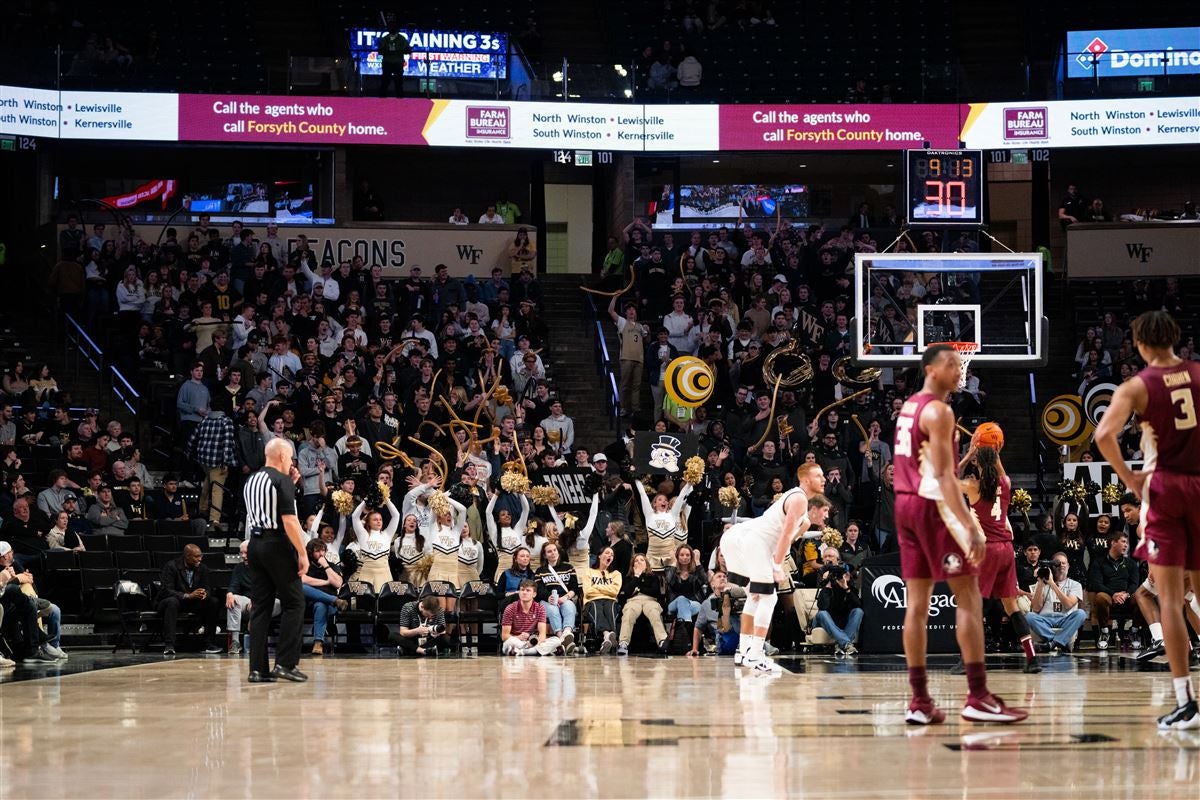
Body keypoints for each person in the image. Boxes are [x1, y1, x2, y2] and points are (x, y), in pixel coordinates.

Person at [893, 344, 1026, 724]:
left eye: (960, 363)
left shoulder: (909, 407)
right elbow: (945, 477)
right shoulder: (940, 411)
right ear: (930, 369)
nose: (959, 370)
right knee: (969, 597)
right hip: (931, 506)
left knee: (917, 605)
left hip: (904, 505)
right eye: (951, 364)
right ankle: (978, 696)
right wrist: (970, 525)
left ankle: (919, 701)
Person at [1093, 310, 1200, 729]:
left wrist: (1131, 479)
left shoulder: (1138, 385)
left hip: (1165, 487)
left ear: (1138, 344)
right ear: (1175, 337)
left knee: (1169, 600)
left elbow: (1103, 435)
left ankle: (1186, 703)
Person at [719, 462, 826, 673]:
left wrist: (773, 561)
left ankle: (744, 650)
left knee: (754, 597)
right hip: (750, 540)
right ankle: (755, 654)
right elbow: (784, 535)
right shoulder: (799, 498)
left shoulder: (804, 519)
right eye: (819, 476)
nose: (823, 480)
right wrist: (776, 565)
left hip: (737, 539)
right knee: (769, 598)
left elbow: (782, 541)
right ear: (806, 480)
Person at [960, 441, 1042, 672]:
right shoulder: (1005, 483)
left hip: (988, 549)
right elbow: (1001, 470)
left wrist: (967, 457)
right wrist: (995, 453)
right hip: (1007, 549)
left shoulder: (972, 486)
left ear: (977, 463)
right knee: (1011, 606)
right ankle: (1032, 659)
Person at [242, 438, 309, 683]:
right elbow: (289, 520)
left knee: (261, 607)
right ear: (281, 456)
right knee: (295, 603)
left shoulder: (251, 480)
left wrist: (291, 485)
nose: (291, 462)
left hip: (255, 545)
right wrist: (302, 552)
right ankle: (285, 663)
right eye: (290, 457)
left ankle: (257, 669)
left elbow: (264, 507)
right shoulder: (281, 480)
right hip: (277, 545)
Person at [157, 545, 224, 656]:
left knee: (213, 602)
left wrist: (204, 594)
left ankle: (209, 644)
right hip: (174, 601)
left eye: (200, 556)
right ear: (187, 556)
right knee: (172, 602)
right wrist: (187, 596)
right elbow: (166, 590)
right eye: (196, 556)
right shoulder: (171, 566)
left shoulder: (202, 568)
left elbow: (208, 588)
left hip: (193, 602)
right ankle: (169, 645)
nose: (200, 559)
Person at [1026, 551, 1088, 655]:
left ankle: (1052, 643)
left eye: (1064, 563)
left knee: (1081, 613)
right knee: (1029, 616)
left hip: (1064, 619)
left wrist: (1052, 583)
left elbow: (1068, 604)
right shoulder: (1042, 583)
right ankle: (1058, 642)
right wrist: (1040, 582)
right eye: (1058, 563)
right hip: (1046, 619)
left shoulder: (1075, 585)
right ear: (1053, 567)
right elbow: (1036, 608)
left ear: (1068, 566)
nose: (1061, 565)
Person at [616, 553, 669, 655]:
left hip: (650, 600)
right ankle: (623, 643)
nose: (639, 562)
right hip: (633, 600)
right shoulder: (629, 577)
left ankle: (662, 640)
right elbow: (626, 592)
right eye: (636, 561)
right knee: (628, 613)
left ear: (646, 564)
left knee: (654, 612)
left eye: (642, 560)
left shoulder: (653, 577)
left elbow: (655, 592)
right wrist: (637, 576)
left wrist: (639, 589)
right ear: (633, 565)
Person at [300, 539, 344, 656]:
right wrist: (326, 582)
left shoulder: (332, 566)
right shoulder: (306, 566)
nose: (321, 554)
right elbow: (302, 580)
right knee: (302, 587)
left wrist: (326, 566)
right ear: (310, 553)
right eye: (317, 551)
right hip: (309, 605)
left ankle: (318, 643)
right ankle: (334, 600)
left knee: (321, 605)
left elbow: (338, 583)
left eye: (323, 550)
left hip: (328, 607)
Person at [501, 579, 566, 656]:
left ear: (534, 594)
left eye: (528, 590)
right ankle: (534, 651)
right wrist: (519, 637)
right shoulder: (510, 608)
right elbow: (504, 636)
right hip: (517, 641)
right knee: (508, 642)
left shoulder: (540, 608)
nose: (524, 592)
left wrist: (536, 641)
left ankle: (522, 652)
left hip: (533, 641)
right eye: (522, 590)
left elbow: (542, 635)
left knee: (556, 640)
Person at [814, 559, 863, 656]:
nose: (842, 576)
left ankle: (841, 645)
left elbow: (858, 605)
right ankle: (846, 644)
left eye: (844, 573)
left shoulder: (850, 588)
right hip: (827, 620)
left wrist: (846, 588)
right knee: (822, 613)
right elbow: (823, 607)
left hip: (842, 620)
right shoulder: (828, 587)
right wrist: (827, 585)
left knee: (858, 611)